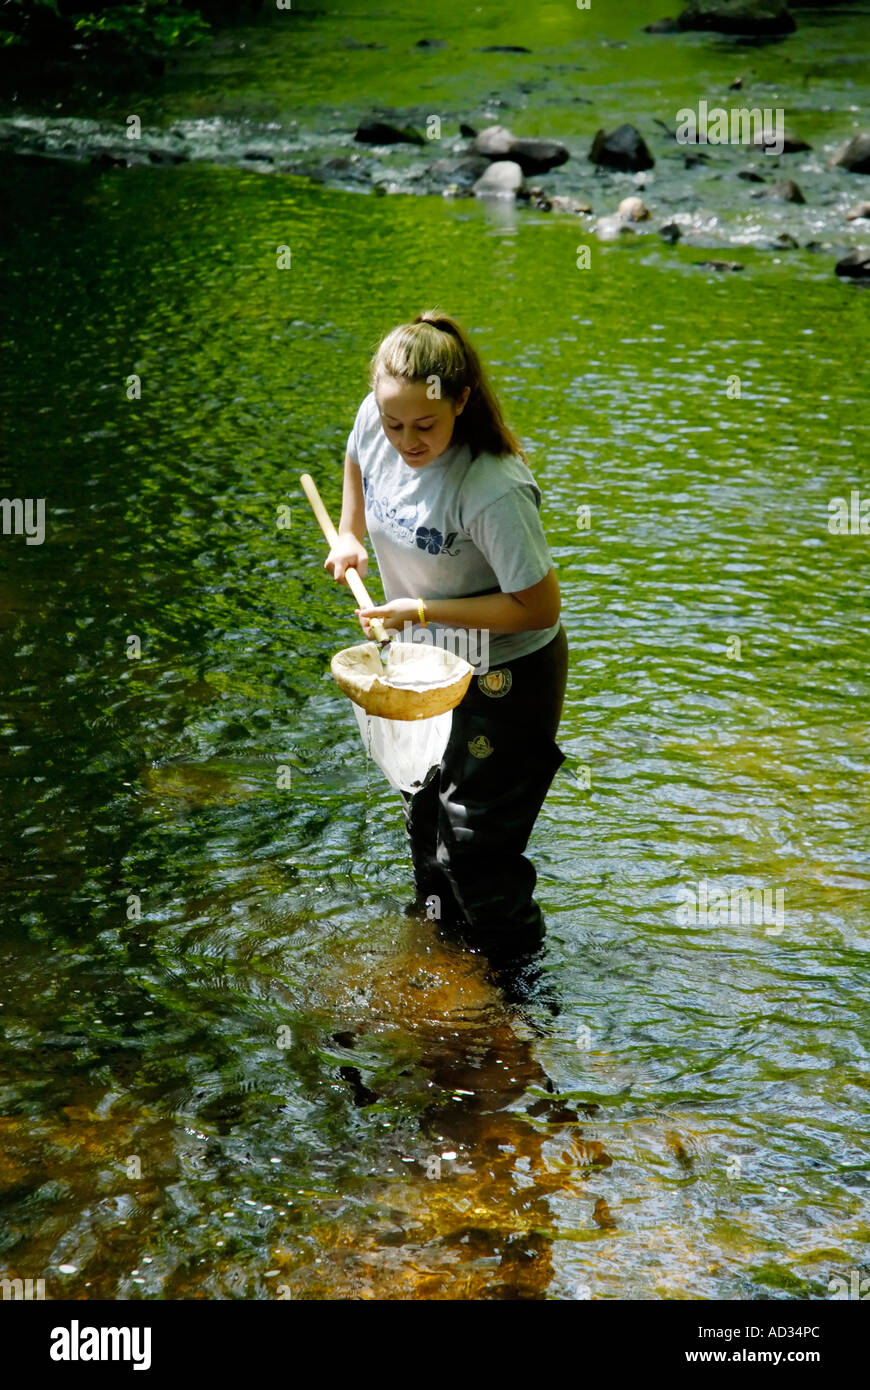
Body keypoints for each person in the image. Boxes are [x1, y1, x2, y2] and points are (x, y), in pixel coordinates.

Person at [325, 309, 568, 966]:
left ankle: (520, 999)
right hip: (425, 672)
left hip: (503, 675)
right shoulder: (381, 423)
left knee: (474, 848)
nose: (406, 439)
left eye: (425, 426)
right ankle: (441, 967)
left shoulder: (491, 487)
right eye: (393, 423)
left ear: (460, 401)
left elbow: (539, 608)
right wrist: (349, 533)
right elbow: (357, 456)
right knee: (424, 822)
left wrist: (423, 611)